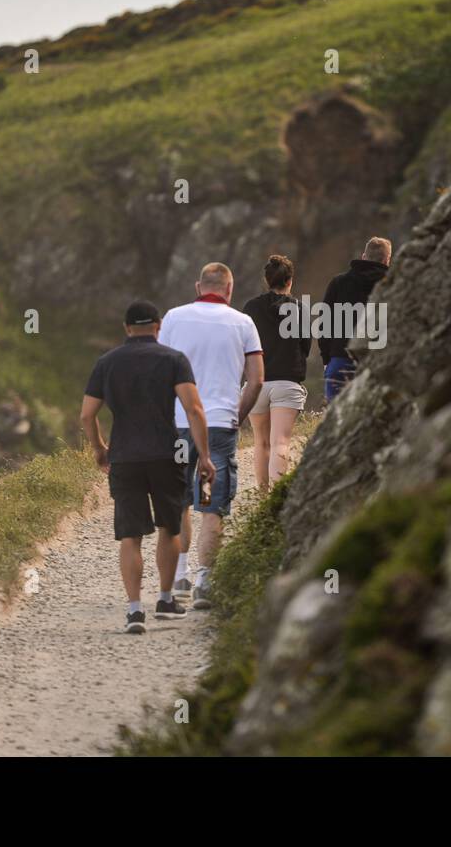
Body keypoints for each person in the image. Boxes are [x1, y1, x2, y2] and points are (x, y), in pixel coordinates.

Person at [79, 300, 215, 635]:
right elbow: (194, 409)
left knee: (130, 534)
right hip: (166, 455)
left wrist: (100, 449)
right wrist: (206, 456)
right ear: (158, 326)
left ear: (126, 328)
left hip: (124, 457)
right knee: (170, 526)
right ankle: (166, 600)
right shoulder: (173, 360)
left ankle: (134, 610)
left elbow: (86, 415)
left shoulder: (107, 362)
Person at [159, 263, 264, 609]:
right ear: (229, 289)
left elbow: (158, 370)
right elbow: (257, 380)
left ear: (198, 285)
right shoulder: (243, 323)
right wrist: (237, 415)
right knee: (211, 503)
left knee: (179, 500)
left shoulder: (173, 318)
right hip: (218, 426)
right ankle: (205, 581)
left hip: (178, 425)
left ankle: (180, 575)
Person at [242, 254, 310, 492]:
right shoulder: (300, 309)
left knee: (261, 443)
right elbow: (306, 347)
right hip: (287, 382)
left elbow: (243, 345)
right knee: (280, 441)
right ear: (290, 281)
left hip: (257, 383)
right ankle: (276, 502)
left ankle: (262, 498)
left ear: (266, 279)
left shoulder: (250, 308)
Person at [319, 236, 391, 401]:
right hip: (377, 364)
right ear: (387, 260)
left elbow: (324, 324)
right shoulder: (391, 285)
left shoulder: (339, 283)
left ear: (364, 256)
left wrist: (327, 359)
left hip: (340, 360)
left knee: (335, 423)